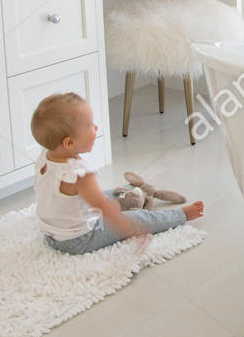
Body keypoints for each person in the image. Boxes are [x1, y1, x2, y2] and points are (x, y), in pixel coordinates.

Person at [31, 92, 203, 255]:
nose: (96, 126)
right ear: (69, 143)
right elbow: (103, 207)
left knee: (108, 194)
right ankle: (182, 215)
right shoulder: (80, 174)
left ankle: (132, 192)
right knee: (137, 217)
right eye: (90, 125)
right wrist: (130, 228)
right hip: (78, 239)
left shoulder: (45, 156)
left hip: (52, 233)